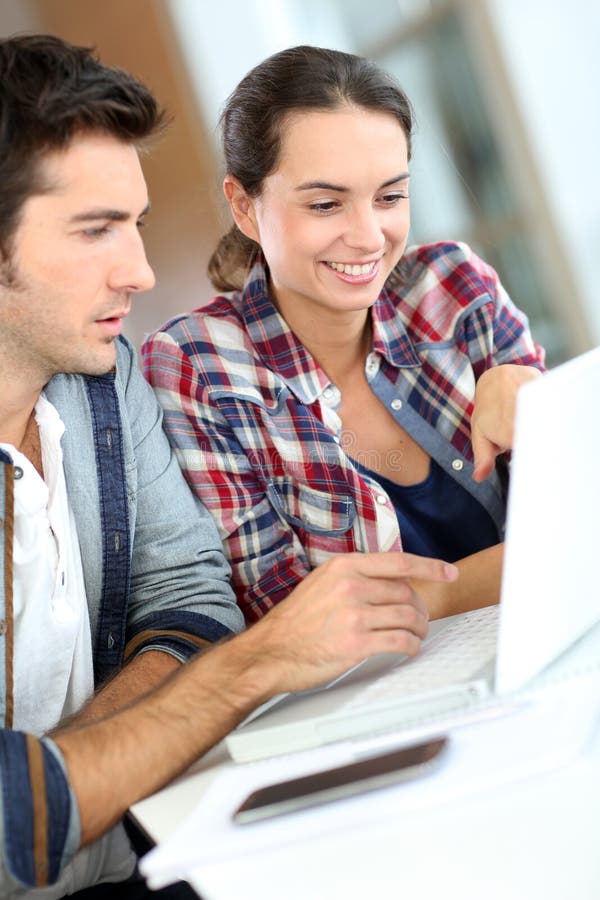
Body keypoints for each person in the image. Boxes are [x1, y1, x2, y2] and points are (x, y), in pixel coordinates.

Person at [0, 33, 460, 899]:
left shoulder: (102, 388)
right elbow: (8, 820)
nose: (139, 271)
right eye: (96, 230)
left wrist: (75, 765)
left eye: (134, 225)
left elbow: (190, 596)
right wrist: (253, 665)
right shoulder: (185, 369)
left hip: (153, 854)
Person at [143, 45, 545, 625]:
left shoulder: (456, 289)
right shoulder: (195, 366)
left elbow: (582, 519)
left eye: (390, 197)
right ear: (245, 206)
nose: (367, 237)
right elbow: (290, 619)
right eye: (327, 204)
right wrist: (449, 596)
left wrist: (537, 400)